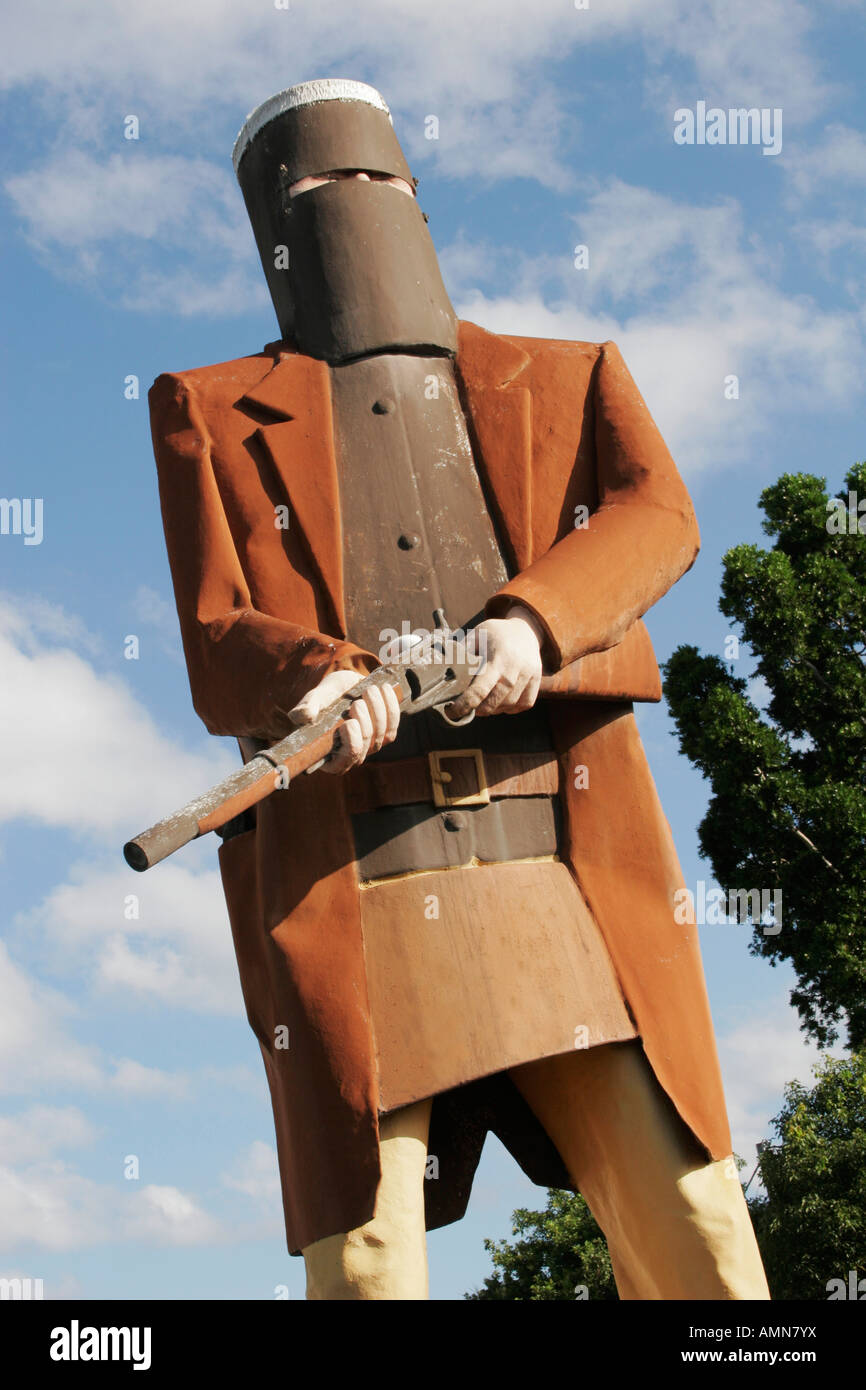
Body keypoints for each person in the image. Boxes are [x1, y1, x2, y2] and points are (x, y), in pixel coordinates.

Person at [148, 78, 770, 1300]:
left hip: (566, 879)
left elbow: (659, 512)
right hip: (356, 887)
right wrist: (323, 678)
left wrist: (534, 622)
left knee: (691, 1224)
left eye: (376, 182)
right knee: (368, 1263)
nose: (354, 208)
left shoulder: (568, 371)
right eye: (320, 191)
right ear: (273, 218)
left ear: (416, 201)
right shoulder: (207, 410)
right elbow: (217, 629)